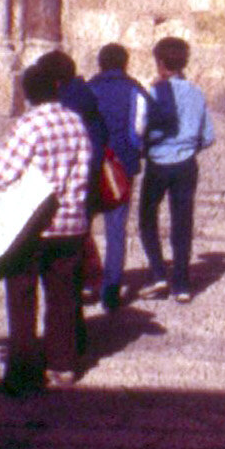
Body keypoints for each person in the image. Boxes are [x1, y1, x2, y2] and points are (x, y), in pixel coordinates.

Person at [0, 54, 96, 394]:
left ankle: (24, 372)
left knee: (23, 295)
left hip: (31, 226)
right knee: (63, 297)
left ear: (27, 94)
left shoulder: (29, 125)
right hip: (70, 223)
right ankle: (63, 365)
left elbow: (2, 173)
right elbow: (85, 167)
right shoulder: (74, 122)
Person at [139, 35, 213, 303]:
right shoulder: (196, 92)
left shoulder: (154, 92)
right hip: (185, 164)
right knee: (182, 221)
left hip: (158, 162)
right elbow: (208, 135)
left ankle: (159, 272)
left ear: (159, 62)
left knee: (147, 218)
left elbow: (142, 128)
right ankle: (181, 283)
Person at [83, 43, 151, 313]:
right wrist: (132, 152)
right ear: (125, 63)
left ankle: (88, 279)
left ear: (99, 64)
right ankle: (111, 288)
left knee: (83, 224)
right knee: (116, 227)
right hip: (121, 167)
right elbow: (141, 126)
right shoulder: (135, 90)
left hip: (91, 165)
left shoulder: (88, 90)